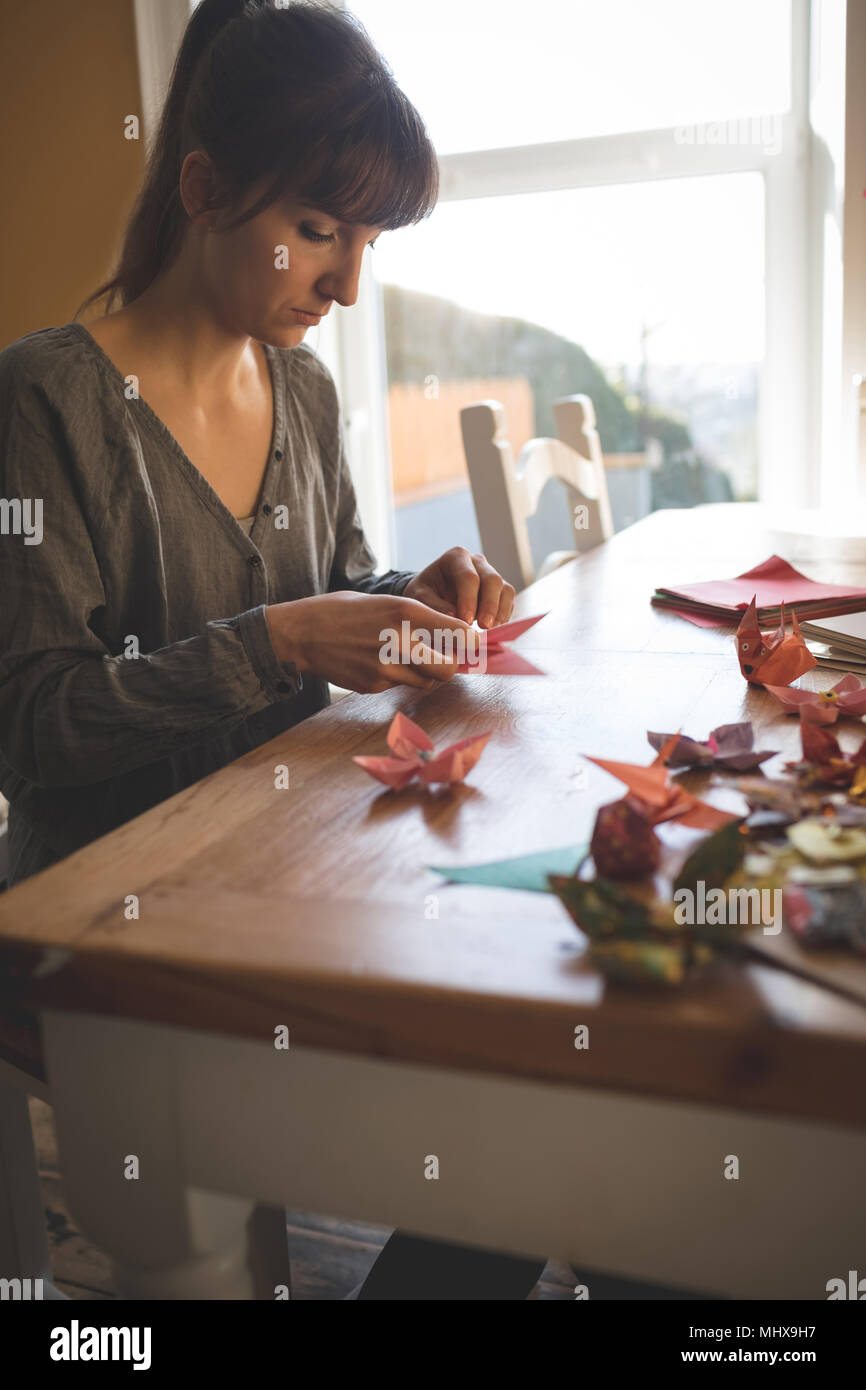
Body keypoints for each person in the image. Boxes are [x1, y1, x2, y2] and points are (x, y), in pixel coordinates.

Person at [0, 0, 546, 1298]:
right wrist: (281, 639)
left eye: (366, 240)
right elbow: (34, 724)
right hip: (118, 935)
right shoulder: (42, 404)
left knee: (524, 1103)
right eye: (317, 229)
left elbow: (327, 575)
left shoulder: (299, 387)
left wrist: (398, 594)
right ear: (203, 187)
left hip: (289, 878)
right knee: (502, 1135)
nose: (349, 281)